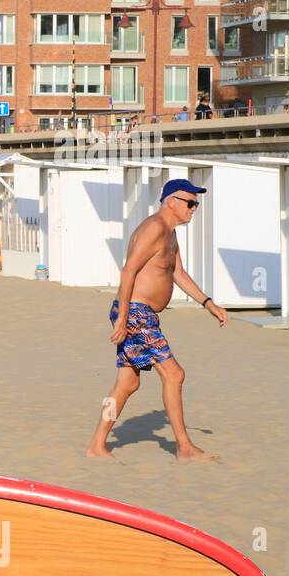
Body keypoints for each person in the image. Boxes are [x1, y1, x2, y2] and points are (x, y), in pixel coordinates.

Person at [85, 178, 226, 463]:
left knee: (127, 384)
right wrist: (123, 318)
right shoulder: (154, 228)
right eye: (190, 203)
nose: (193, 209)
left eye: (196, 204)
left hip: (141, 314)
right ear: (171, 201)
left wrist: (207, 303)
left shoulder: (169, 233)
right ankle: (184, 448)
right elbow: (128, 271)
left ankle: (96, 445)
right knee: (174, 374)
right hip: (136, 313)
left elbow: (178, 274)